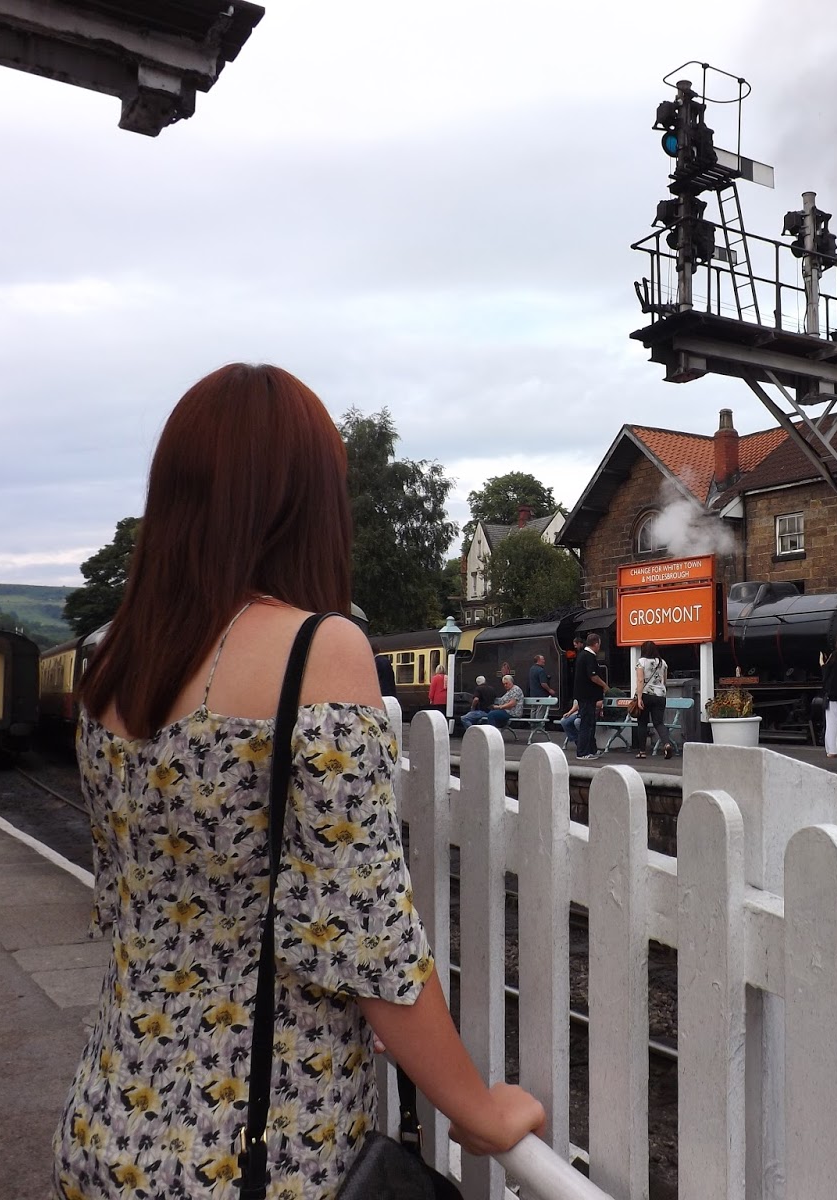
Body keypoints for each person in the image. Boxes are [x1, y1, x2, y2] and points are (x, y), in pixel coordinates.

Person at [53, 364, 543, 1200]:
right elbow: (368, 934)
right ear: (306, 500)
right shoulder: (318, 649)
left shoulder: (115, 660)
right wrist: (479, 1111)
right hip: (255, 1152)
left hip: (106, 1120)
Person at [633, 640, 676, 760]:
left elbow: (640, 680)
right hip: (660, 695)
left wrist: (639, 698)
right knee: (659, 723)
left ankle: (642, 751)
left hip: (646, 694)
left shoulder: (641, 662)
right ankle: (667, 744)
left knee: (642, 723)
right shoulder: (662, 663)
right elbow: (664, 681)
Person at [573, 632, 608, 760]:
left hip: (586, 696)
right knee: (586, 724)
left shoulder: (582, 655)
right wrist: (605, 686)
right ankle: (582, 752)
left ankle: (592, 750)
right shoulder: (589, 657)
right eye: (599, 644)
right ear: (596, 644)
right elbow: (593, 676)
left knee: (590, 723)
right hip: (587, 696)